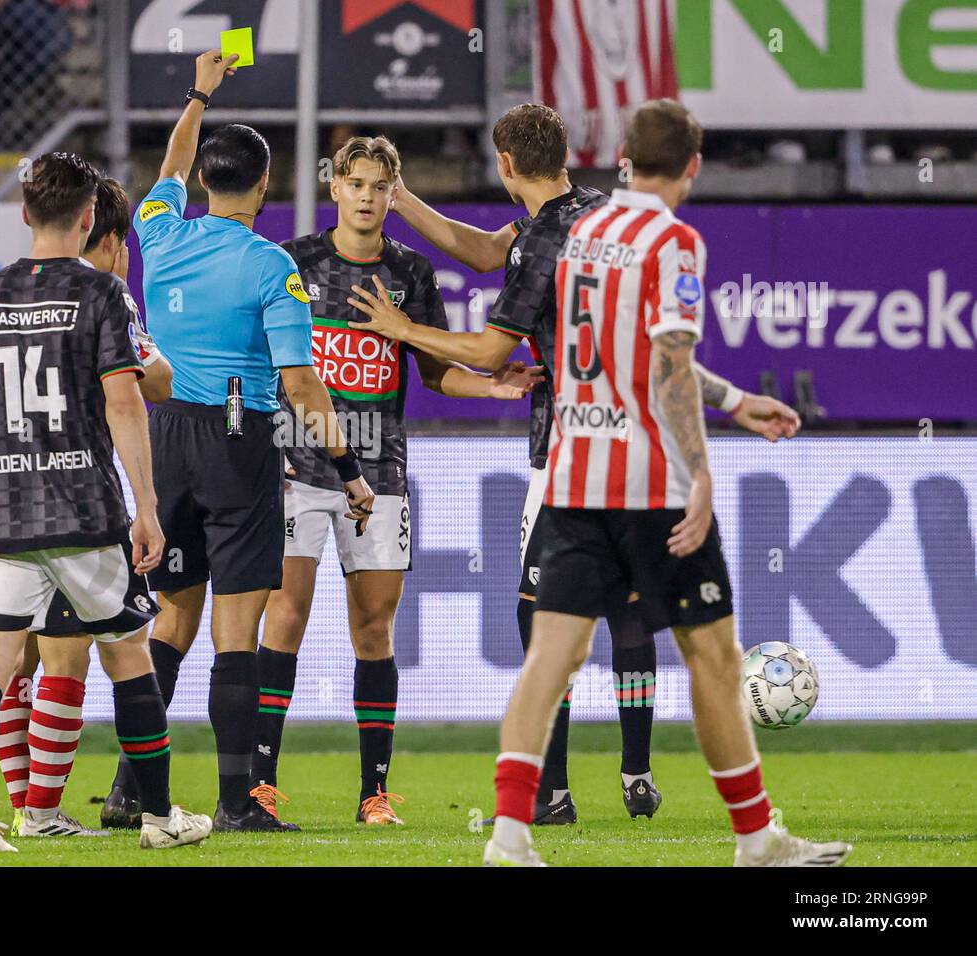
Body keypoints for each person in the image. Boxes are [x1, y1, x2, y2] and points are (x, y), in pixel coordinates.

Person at [352, 103, 799, 825]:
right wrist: (402, 200)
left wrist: (406, 329)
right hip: (638, 454)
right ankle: (658, 786)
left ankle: (539, 803)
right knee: (667, 633)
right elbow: (489, 254)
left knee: (544, 627)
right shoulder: (593, 221)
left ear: (504, 166)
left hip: (572, 452)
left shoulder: (551, 243)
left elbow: (495, 347)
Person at [477, 99, 852, 866]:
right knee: (713, 658)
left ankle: (511, 837)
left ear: (621, 156)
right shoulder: (674, 242)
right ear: (692, 166)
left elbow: (629, 354)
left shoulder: (582, 233)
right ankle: (755, 839)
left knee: (550, 658)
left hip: (572, 477)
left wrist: (737, 399)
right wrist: (703, 468)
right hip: (650, 485)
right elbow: (669, 363)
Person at [102, 51, 375, 833]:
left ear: (201, 187)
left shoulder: (160, 233)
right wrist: (349, 470)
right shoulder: (272, 266)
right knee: (236, 632)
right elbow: (300, 387)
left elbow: (171, 162)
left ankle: (129, 790)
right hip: (235, 434)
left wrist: (198, 93)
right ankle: (234, 803)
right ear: (262, 187)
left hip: (166, 437)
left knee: (170, 626)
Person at [245, 134, 541, 827]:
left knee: (374, 630)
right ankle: (259, 784)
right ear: (335, 188)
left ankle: (373, 794)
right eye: (357, 184)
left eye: (382, 186)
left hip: (380, 473)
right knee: (283, 616)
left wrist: (493, 390)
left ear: (392, 194)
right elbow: (265, 364)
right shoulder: (296, 264)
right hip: (299, 465)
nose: (369, 198)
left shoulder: (411, 273)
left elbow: (436, 372)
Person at [0, 151, 210, 852]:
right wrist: (146, 505)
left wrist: (9, 471)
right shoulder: (100, 295)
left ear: (25, 213)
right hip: (85, 513)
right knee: (129, 659)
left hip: (3, 512)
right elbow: (127, 402)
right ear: (89, 217)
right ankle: (158, 818)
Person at [0, 174, 182, 841]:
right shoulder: (107, 295)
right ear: (114, 241)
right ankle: (42, 811)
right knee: (82, 653)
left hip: (10, 495)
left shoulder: (8, 291)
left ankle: (17, 805)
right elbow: (154, 383)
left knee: (15, 657)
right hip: (77, 502)